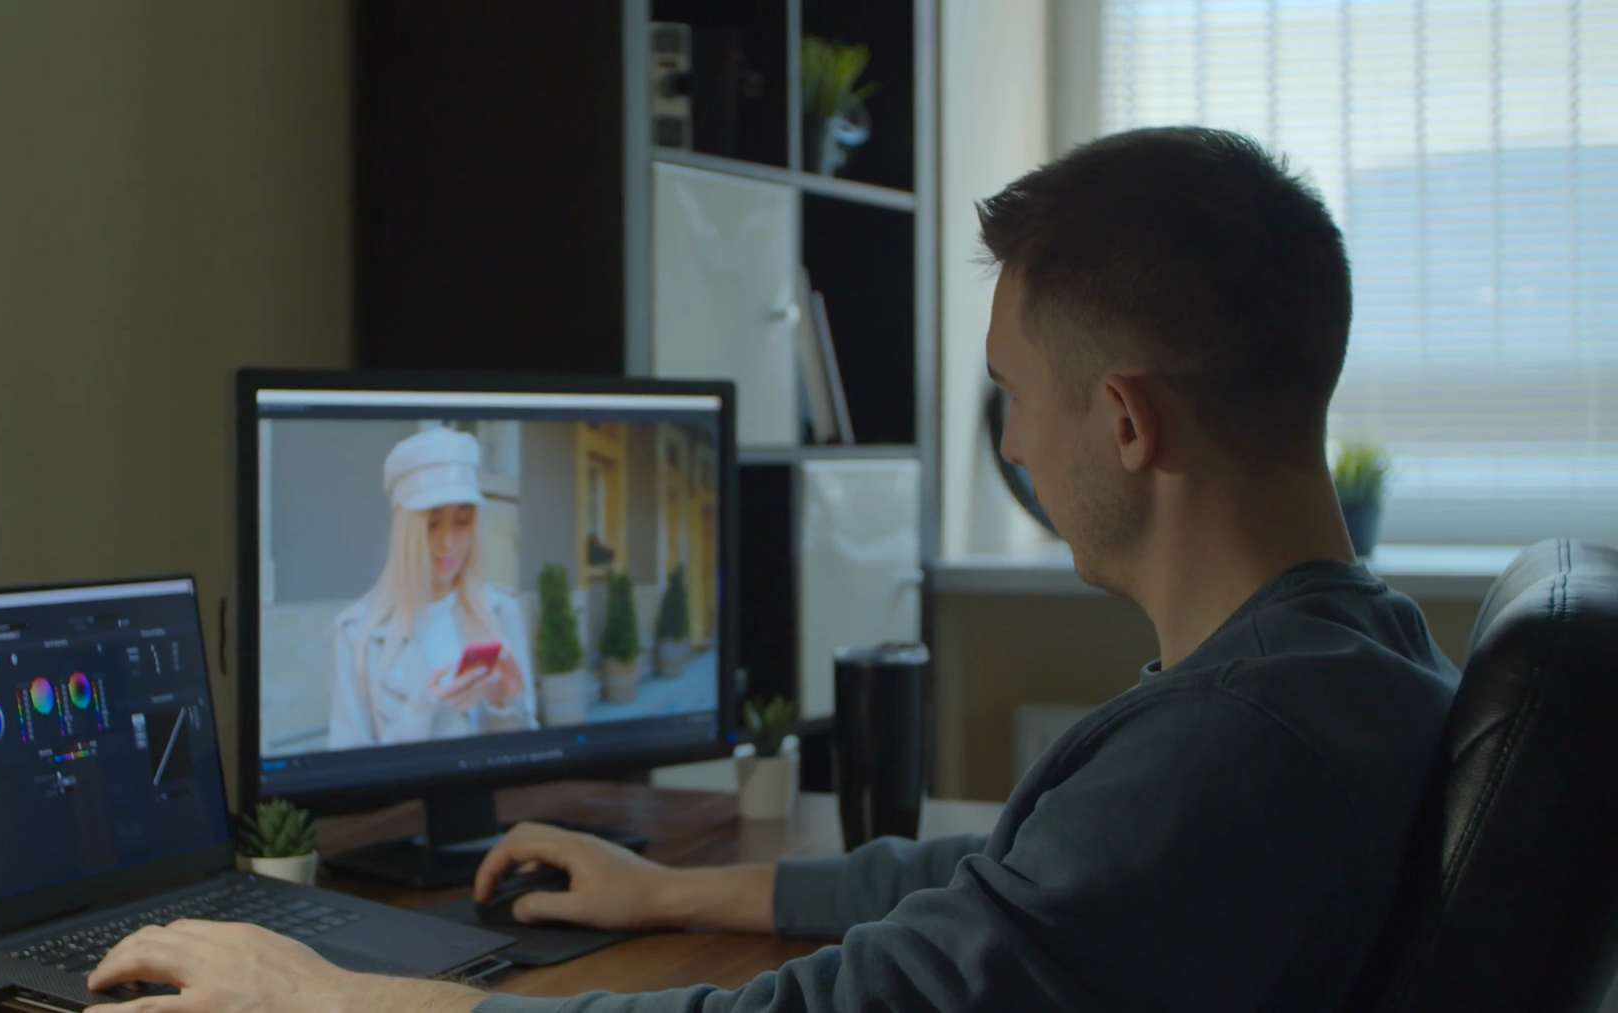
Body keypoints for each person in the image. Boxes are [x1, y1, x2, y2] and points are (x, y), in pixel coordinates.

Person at [89, 127, 1459, 1011]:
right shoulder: (1353, 652)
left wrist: (327, 993)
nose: (1015, 443)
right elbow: (1013, 878)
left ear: (1125, 421)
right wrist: (671, 889)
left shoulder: (1229, 748)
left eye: (1012, 395)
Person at [326, 426, 537, 748]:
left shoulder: (501, 612)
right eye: (432, 524)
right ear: (405, 532)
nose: (448, 542)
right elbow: (347, 767)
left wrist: (503, 707)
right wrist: (423, 713)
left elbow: (530, 751)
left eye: (462, 522)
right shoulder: (358, 635)